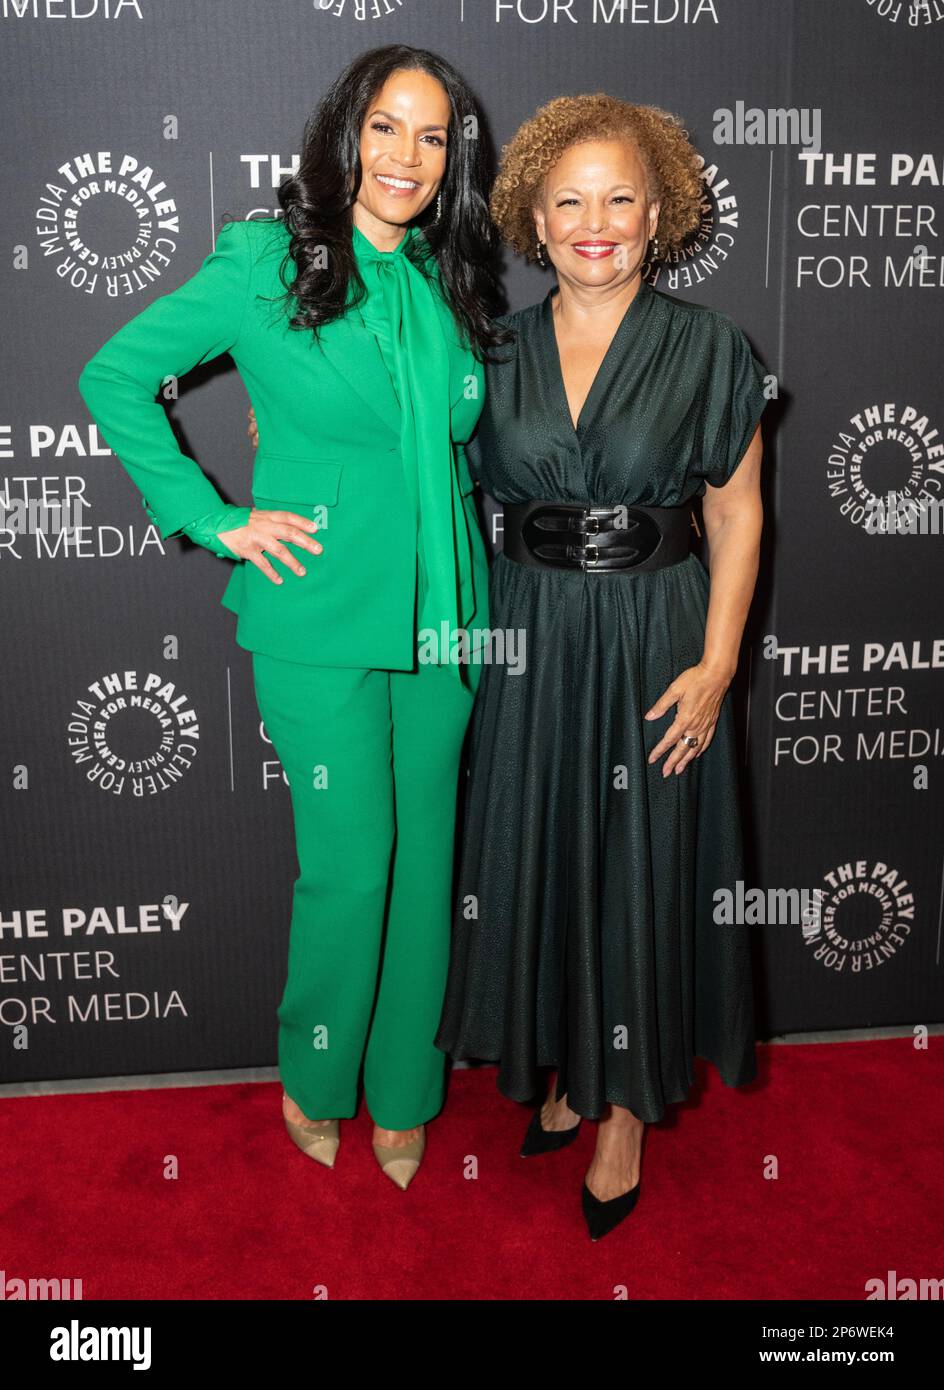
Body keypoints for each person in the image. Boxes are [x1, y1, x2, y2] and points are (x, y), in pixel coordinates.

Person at [78, 45, 505, 1190]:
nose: (407, 156)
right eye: (386, 127)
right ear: (343, 132)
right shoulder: (269, 258)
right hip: (317, 616)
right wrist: (215, 519)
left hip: (448, 618)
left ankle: (405, 1093)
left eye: (431, 135)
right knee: (352, 870)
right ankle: (315, 1080)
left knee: (425, 870)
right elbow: (116, 375)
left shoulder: (443, 277)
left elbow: (458, 431)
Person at [434, 94, 769, 1238]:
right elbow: (398, 450)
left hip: (652, 636)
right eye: (569, 199)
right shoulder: (484, 346)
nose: (595, 221)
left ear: (659, 211)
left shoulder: (712, 347)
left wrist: (719, 660)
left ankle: (622, 1107)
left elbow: (735, 513)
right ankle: (565, 1068)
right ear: (531, 212)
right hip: (525, 634)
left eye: (620, 198)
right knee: (545, 852)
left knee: (640, 864)